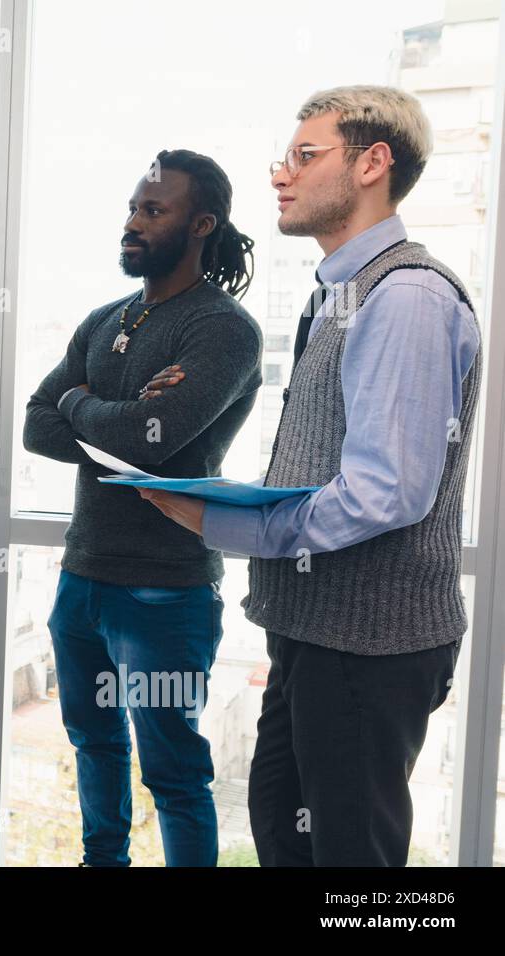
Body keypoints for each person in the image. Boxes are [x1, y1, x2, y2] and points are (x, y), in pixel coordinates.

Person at [143, 86, 481, 866]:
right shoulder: (341, 293)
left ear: (372, 164)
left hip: (368, 646)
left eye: (305, 156)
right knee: (287, 838)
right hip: (315, 634)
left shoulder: (406, 298)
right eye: (283, 158)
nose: (281, 175)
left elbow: (386, 492)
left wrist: (223, 521)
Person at [23, 149, 262, 866]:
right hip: (83, 577)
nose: (132, 223)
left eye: (152, 211)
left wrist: (80, 403)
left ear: (201, 225)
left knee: (174, 774)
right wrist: (101, 410)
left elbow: (149, 441)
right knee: (93, 747)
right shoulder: (105, 319)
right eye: (132, 208)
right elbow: (38, 425)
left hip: (165, 590)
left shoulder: (222, 329)